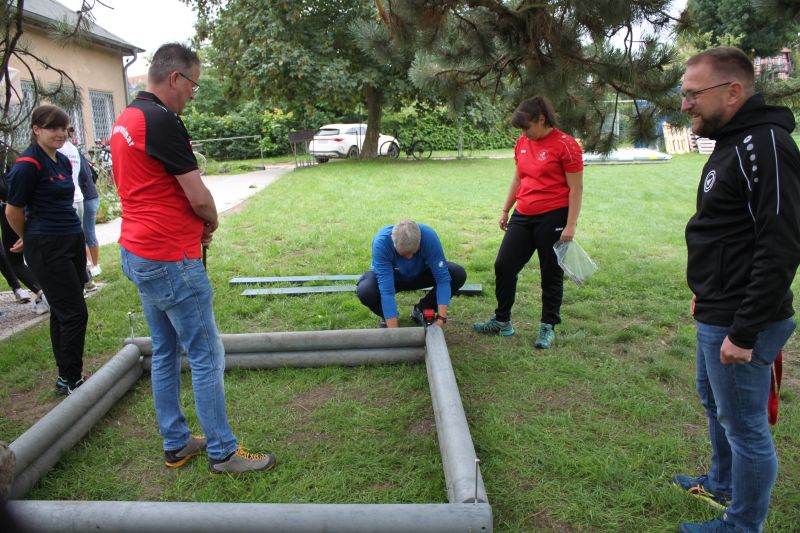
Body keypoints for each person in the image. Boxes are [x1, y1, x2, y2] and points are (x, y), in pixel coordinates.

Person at [111, 42, 276, 474]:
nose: (192, 95)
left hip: (138, 252)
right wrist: (212, 222)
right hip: (170, 259)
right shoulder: (163, 122)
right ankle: (222, 451)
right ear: (175, 79)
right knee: (206, 354)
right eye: (194, 86)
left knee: (165, 351)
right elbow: (198, 197)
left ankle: (177, 441)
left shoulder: (126, 118)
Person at [673, 46, 800, 533]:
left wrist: (744, 332)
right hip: (718, 307)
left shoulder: (764, 143)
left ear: (732, 91)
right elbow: (727, 230)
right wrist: (706, 290)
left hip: (744, 319)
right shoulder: (731, 140)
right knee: (715, 403)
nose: (685, 105)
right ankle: (721, 483)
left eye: (692, 94)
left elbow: (781, 245)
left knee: (746, 426)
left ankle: (742, 525)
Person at [474, 95, 584, 349]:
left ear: (542, 119)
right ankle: (502, 321)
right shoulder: (522, 142)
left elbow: (575, 188)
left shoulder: (566, 145)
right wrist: (505, 210)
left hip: (554, 216)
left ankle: (548, 326)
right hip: (523, 213)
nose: (524, 133)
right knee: (504, 265)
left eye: (527, 127)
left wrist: (570, 225)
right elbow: (518, 178)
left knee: (550, 274)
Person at [5, 105, 88, 395]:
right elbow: (13, 210)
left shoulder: (63, 161)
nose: (60, 133)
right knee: (76, 313)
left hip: (71, 239)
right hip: (47, 244)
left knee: (64, 309)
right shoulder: (27, 165)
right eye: (53, 127)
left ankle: (65, 375)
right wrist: (28, 235)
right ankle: (71, 377)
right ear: (36, 129)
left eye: (64, 128)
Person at [356, 220, 466, 328]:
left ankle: (423, 308)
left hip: (420, 275)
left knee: (457, 274)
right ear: (394, 243)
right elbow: (387, 291)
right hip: (394, 278)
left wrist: (441, 320)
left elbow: (443, 280)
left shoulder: (428, 237)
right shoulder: (381, 243)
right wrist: (394, 334)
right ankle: (388, 316)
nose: (409, 257)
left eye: (413, 253)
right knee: (366, 291)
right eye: (404, 254)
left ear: (419, 241)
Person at [0, 142, 47, 314]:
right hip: (27, 212)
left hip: (12, 215)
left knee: (15, 259)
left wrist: (23, 234)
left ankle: (43, 292)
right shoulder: (20, 161)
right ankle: (46, 291)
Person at [73, 129, 102, 278]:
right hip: (91, 196)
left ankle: (92, 266)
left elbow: (82, 176)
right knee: (88, 233)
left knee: (83, 234)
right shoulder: (77, 153)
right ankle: (94, 266)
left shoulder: (71, 154)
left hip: (85, 198)